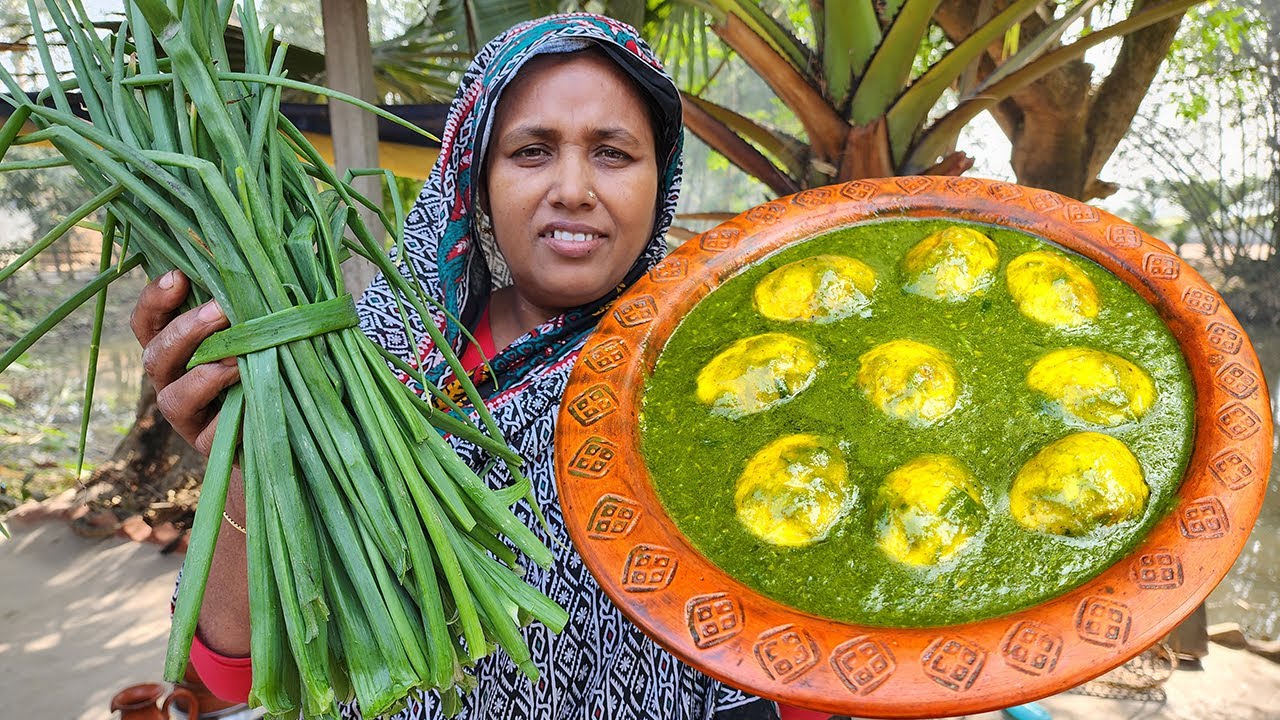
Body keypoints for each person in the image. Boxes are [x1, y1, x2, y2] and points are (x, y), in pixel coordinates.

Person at [131, 13, 804, 720]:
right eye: (532, 151)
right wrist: (252, 449)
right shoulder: (365, 365)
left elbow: (804, 661)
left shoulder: (718, 371)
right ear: (474, 177)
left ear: (660, 179)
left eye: (612, 153)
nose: (573, 188)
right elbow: (232, 671)